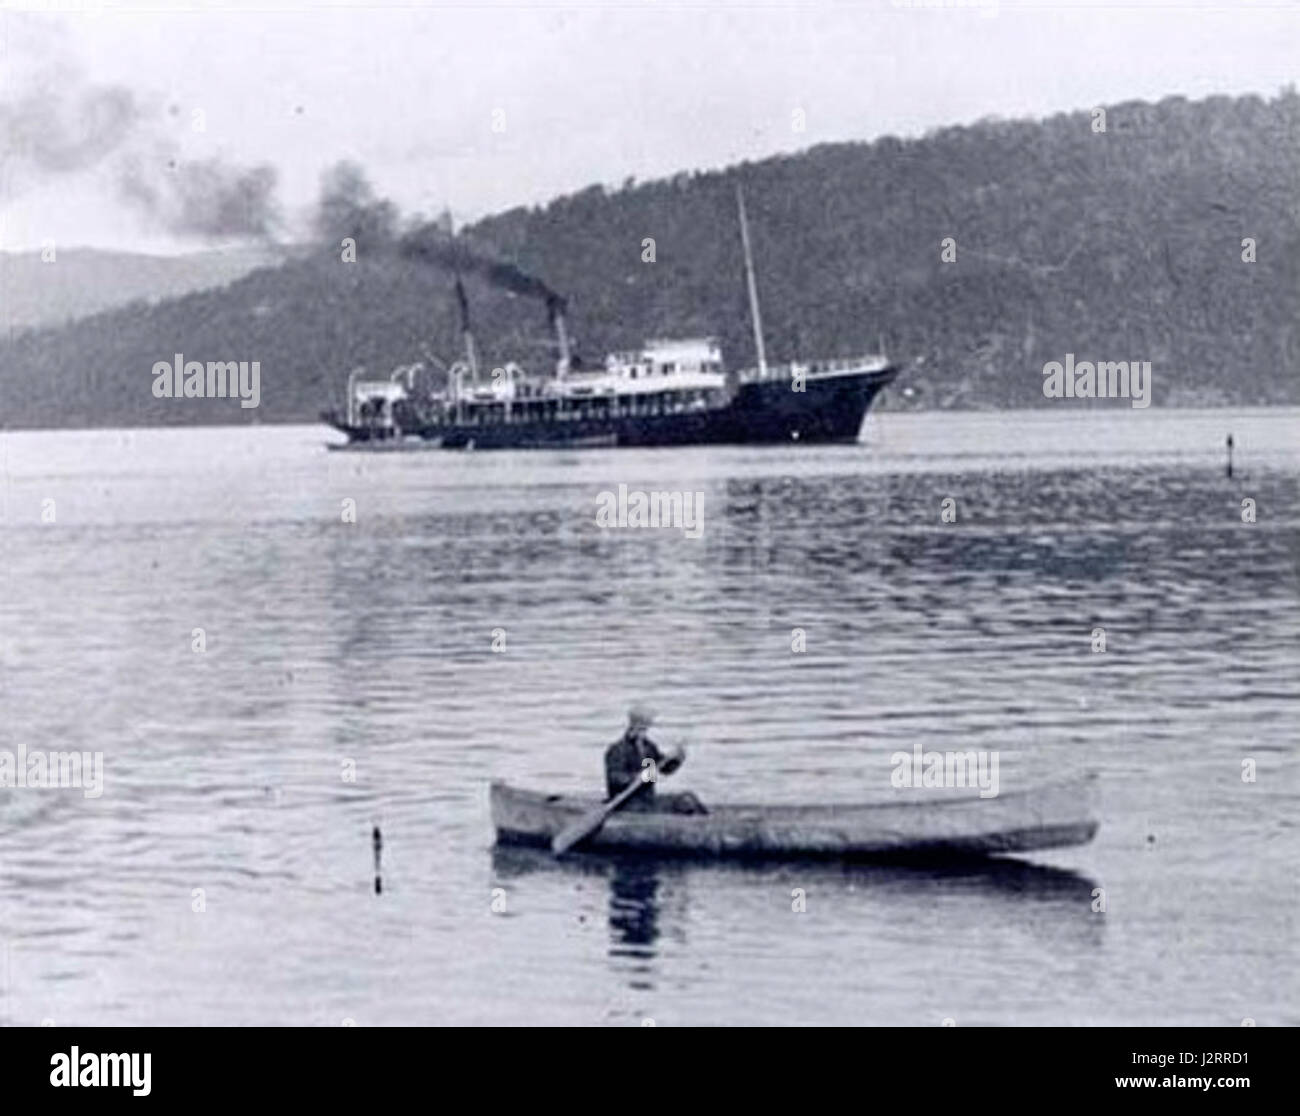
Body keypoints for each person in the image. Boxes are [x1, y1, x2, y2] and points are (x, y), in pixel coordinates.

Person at [604, 705, 707, 814]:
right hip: (628, 803)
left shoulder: (648, 747)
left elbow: (663, 768)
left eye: (646, 727)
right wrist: (636, 777)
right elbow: (615, 778)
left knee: (687, 798)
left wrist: (677, 759)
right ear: (634, 724)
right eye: (642, 726)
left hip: (648, 799)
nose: (644, 729)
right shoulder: (618, 750)